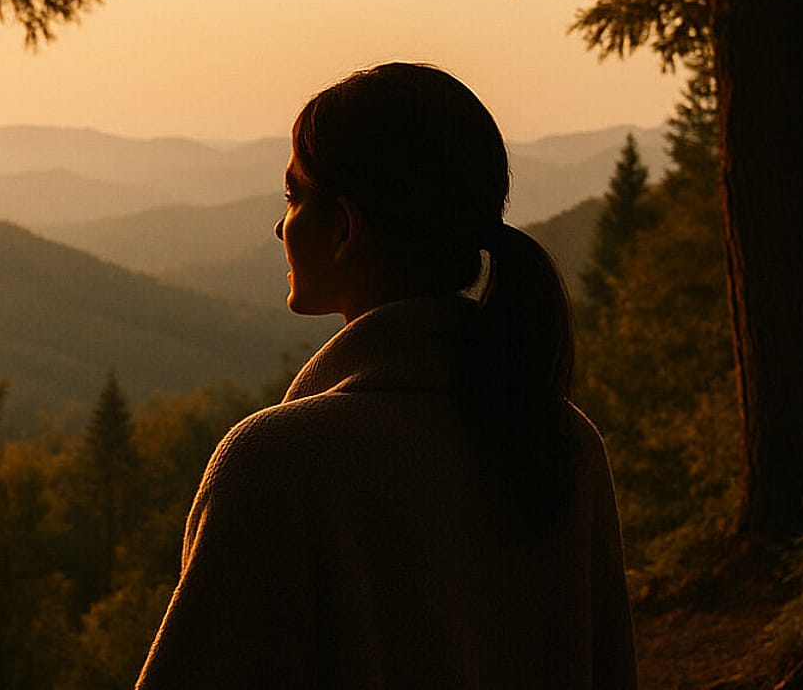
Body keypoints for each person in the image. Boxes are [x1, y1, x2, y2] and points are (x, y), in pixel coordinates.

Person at [135, 63, 637, 689]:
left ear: (345, 228)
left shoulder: (277, 464)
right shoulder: (561, 437)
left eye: (292, 197)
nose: (278, 224)